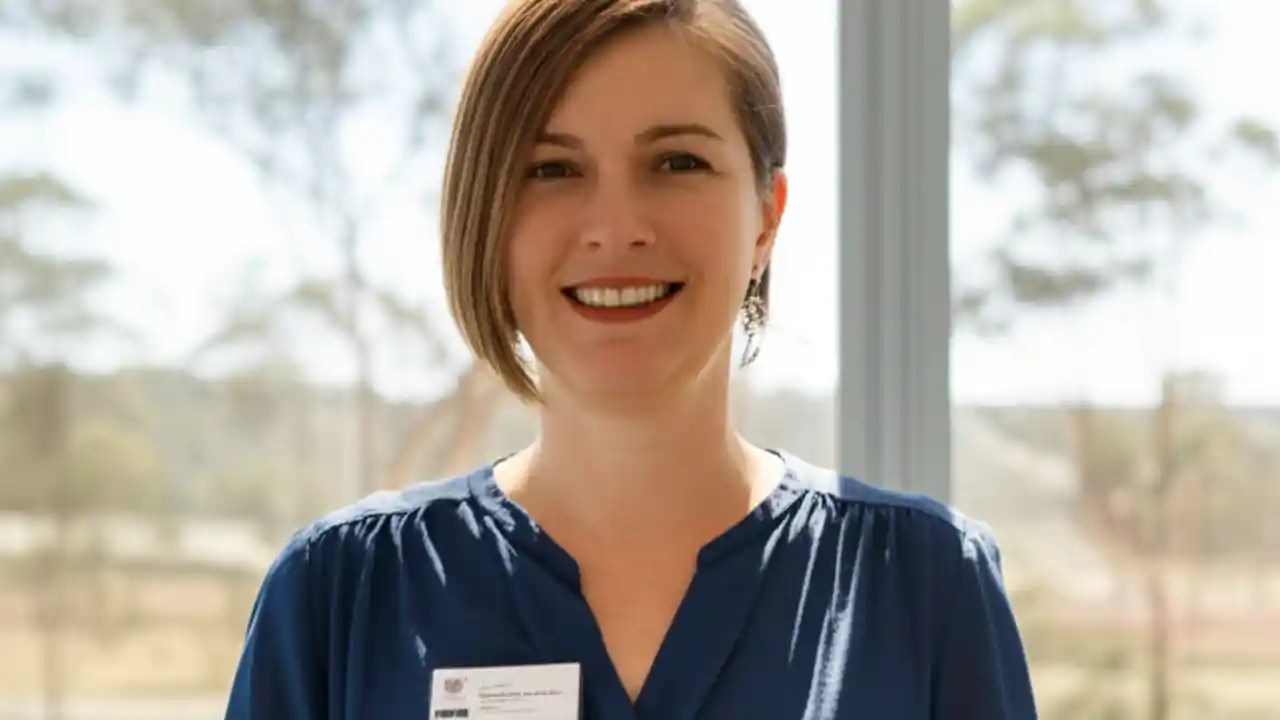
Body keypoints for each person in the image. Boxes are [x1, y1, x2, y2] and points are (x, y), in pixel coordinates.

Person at [225, 0, 1038, 718]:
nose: (616, 227)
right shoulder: (338, 597)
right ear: (487, 223)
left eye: (677, 162)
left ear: (765, 217)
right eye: (552, 170)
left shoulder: (926, 588)